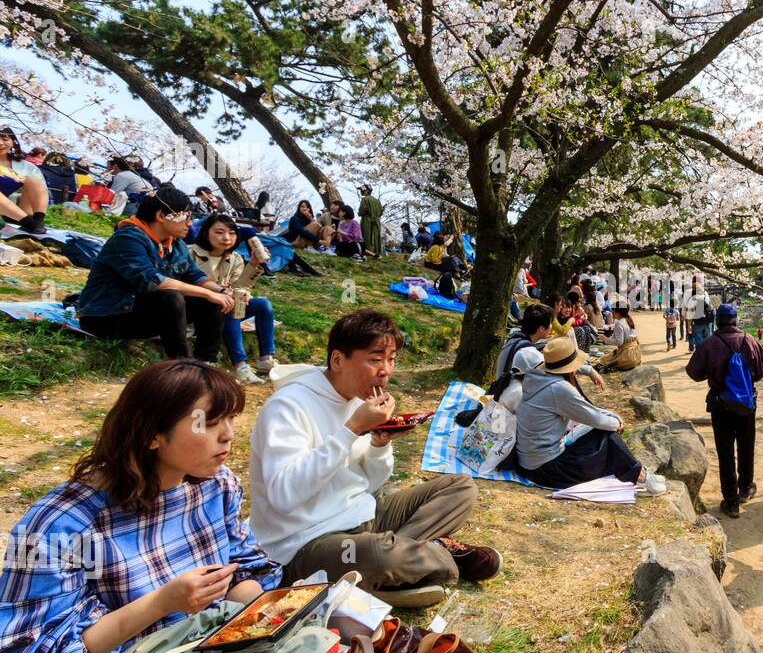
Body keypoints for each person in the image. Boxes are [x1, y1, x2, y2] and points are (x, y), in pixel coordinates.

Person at [0, 360, 282, 653]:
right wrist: (162, 603)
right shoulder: (61, 526)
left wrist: (260, 615)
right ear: (152, 434)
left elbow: (242, 565)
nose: (228, 435)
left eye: (230, 419)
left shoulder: (214, 485)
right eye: (208, 423)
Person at [249, 310, 496, 605]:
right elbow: (284, 496)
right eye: (375, 359)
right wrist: (351, 429)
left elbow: (369, 485)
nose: (386, 370)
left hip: (364, 516)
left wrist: (379, 445)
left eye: (391, 359)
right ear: (338, 360)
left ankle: (402, 565)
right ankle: (427, 557)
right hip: (307, 542)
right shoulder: (288, 407)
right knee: (379, 554)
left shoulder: (357, 399)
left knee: (461, 487)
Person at [76, 185, 234, 360]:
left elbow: (194, 275)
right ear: (160, 216)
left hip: (142, 313)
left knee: (212, 301)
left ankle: (207, 362)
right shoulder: (127, 238)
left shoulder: (175, 243)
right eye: (186, 216)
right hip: (106, 317)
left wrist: (220, 291)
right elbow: (152, 280)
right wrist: (207, 293)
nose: (190, 222)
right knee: (171, 297)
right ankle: (183, 364)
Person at [513, 334, 667, 494]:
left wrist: (611, 415)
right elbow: (597, 419)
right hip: (547, 471)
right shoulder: (559, 389)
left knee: (601, 431)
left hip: (529, 465)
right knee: (607, 436)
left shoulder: (537, 378)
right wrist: (617, 422)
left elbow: (587, 411)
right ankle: (641, 477)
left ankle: (640, 473)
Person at [686, 303, 763, 519]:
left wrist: (714, 375)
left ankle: (731, 501)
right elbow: (761, 370)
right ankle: (746, 487)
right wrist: (744, 381)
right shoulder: (750, 340)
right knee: (746, 445)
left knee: (725, 451)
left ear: (718, 320)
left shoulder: (709, 343)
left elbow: (693, 372)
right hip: (747, 403)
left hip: (720, 403)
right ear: (736, 320)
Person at [191, 213, 279, 384]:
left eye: (232, 233)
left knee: (262, 305)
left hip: (225, 302)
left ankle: (265, 358)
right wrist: (226, 295)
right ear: (206, 232)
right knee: (231, 305)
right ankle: (240, 366)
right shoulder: (191, 253)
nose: (226, 238)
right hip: (200, 308)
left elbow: (238, 287)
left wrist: (253, 265)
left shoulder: (235, 258)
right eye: (219, 232)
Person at [493, 303, 605, 412]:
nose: (552, 327)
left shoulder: (514, 338)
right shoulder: (528, 353)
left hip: (503, 395)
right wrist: (589, 370)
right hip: (511, 409)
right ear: (541, 328)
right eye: (551, 323)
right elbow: (559, 366)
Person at [0, 125, 50, 234]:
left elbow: (40, 189)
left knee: (34, 180)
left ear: (13, 142)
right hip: (9, 214)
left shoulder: (25, 166)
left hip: (21, 212)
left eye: (5, 139)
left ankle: (38, 221)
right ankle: (31, 224)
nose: (0, 143)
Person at [595, 303, 641, 371]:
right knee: (606, 357)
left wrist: (605, 339)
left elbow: (619, 342)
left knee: (602, 360)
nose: (612, 312)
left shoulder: (618, 323)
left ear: (617, 312)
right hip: (636, 355)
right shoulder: (628, 319)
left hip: (627, 356)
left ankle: (613, 366)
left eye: (613, 310)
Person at [358, 185, 383, 258]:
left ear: (366, 191)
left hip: (367, 221)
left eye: (362, 190)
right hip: (376, 222)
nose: (361, 192)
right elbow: (381, 211)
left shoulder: (364, 199)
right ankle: (376, 253)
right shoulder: (377, 201)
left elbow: (361, 212)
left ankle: (367, 253)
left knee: (366, 236)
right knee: (376, 236)